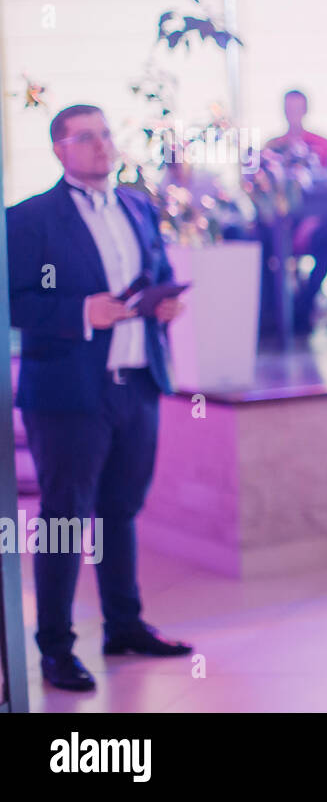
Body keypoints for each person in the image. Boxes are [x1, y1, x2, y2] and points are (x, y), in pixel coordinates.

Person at [6, 104, 193, 693]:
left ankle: (124, 625)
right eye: (86, 137)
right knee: (65, 520)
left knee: (121, 511)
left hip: (136, 380)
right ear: (59, 149)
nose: (102, 146)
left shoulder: (137, 205)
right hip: (66, 391)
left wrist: (164, 304)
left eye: (107, 134)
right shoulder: (28, 218)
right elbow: (13, 301)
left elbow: (156, 268)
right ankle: (55, 649)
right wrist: (82, 312)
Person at [263, 89, 327, 335]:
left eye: (297, 108)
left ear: (305, 110)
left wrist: (314, 220)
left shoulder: (324, 146)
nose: (292, 113)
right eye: (288, 108)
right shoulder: (272, 149)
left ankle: (304, 310)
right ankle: (271, 317)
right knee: (259, 242)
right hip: (281, 223)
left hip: (318, 223)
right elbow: (264, 192)